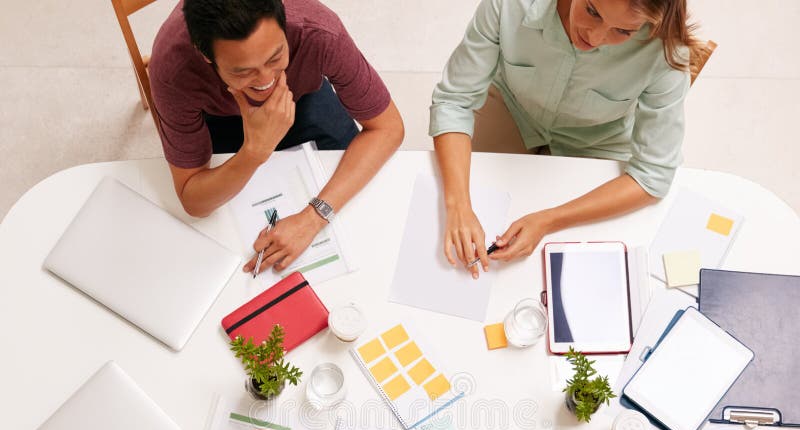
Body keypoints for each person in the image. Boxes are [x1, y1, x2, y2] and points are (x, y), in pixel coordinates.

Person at [430, 0, 696, 276]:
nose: (594, 37)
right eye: (592, 11)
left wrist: (549, 220)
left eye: (623, 31)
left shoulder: (666, 50)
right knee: (454, 203)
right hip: (513, 107)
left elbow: (652, 176)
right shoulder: (510, 4)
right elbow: (454, 102)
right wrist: (458, 204)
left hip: (599, 137)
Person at [149, 0, 404, 272]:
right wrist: (255, 152)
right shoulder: (172, 69)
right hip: (220, 119)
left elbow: (388, 128)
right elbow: (193, 200)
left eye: (275, 58)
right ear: (205, 55)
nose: (265, 80)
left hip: (304, 99)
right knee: (225, 241)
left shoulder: (318, 31)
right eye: (242, 71)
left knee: (362, 222)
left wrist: (313, 218)